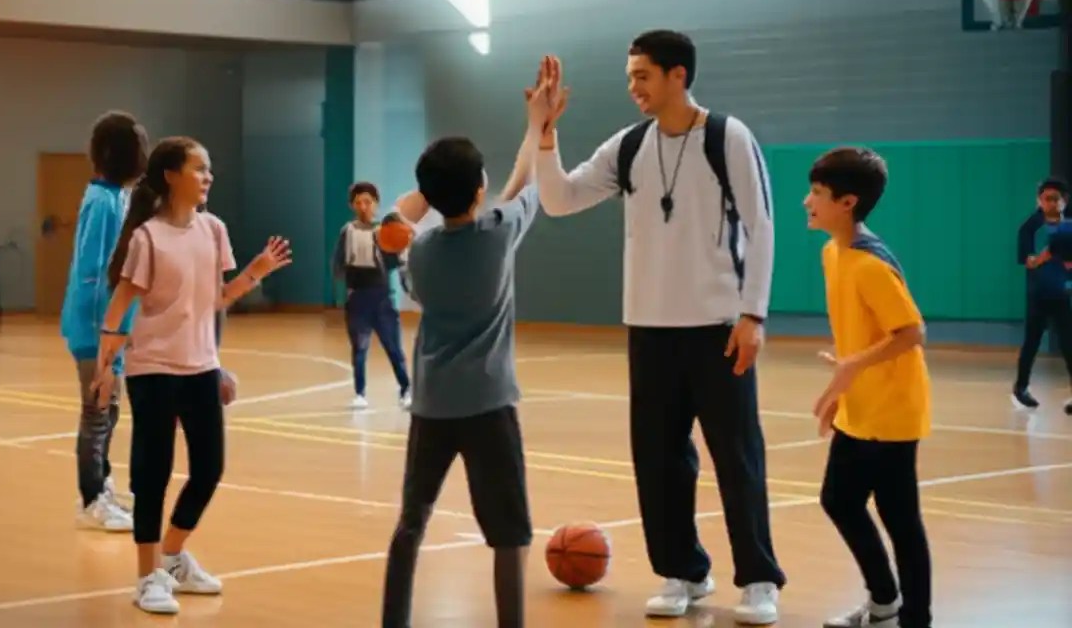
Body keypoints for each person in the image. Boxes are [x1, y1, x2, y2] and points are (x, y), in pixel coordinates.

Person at [533, 31, 784, 623]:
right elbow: (559, 200)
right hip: (648, 329)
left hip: (718, 326)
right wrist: (543, 132)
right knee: (658, 462)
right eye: (630, 77)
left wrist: (753, 314)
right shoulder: (628, 146)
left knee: (737, 459)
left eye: (642, 75)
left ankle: (758, 580)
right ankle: (682, 572)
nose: (633, 87)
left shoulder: (727, 136)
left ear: (678, 75)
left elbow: (762, 226)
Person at [380, 56, 566, 628]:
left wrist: (424, 193)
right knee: (509, 531)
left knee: (411, 521)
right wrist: (537, 124)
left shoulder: (420, 250)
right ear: (479, 187)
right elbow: (524, 184)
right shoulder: (500, 232)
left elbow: (393, 218)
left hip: (432, 404)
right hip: (488, 405)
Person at [93, 136, 292, 615]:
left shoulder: (213, 229)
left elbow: (215, 299)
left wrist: (256, 271)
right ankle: (147, 577)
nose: (208, 177)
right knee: (152, 474)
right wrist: (105, 369)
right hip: (153, 370)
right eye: (199, 168)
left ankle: (172, 555)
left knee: (208, 470)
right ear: (170, 176)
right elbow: (120, 305)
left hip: (201, 368)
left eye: (209, 169)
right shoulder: (148, 237)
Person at [805, 146, 933, 628]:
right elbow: (859, 336)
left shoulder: (870, 264)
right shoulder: (831, 254)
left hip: (893, 409)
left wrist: (853, 365)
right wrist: (843, 385)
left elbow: (912, 332)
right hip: (860, 405)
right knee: (839, 500)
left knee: (900, 519)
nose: (807, 202)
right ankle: (885, 604)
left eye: (817, 193)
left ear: (847, 203)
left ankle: (913, 618)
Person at [59, 110, 148, 531]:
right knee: (96, 411)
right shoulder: (104, 202)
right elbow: (94, 273)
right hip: (97, 326)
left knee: (108, 411)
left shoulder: (115, 198)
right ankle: (91, 498)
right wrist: (106, 336)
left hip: (112, 326)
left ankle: (103, 484)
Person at [330, 181, 412, 410]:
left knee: (393, 347)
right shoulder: (348, 231)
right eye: (358, 202)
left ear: (376, 203)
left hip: (382, 296)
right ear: (352, 205)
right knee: (359, 348)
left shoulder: (386, 231)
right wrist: (341, 293)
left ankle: (406, 389)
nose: (363, 207)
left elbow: (398, 261)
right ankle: (360, 393)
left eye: (367, 202)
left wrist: (406, 281)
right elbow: (337, 263)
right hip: (357, 296)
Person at [1012, 177, 1072, 414]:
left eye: (1056, 199)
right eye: (1047, 199)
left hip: (1062, 294)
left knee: (1068, 344)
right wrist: (1046, 255)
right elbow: (1028, 262)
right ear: (1039, 200)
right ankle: (1021, 388)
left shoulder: (1068, 227)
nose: (1051, 203)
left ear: (1064, 201)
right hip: (1038, 295)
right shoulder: (1030, 227)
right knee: (1032, 343)